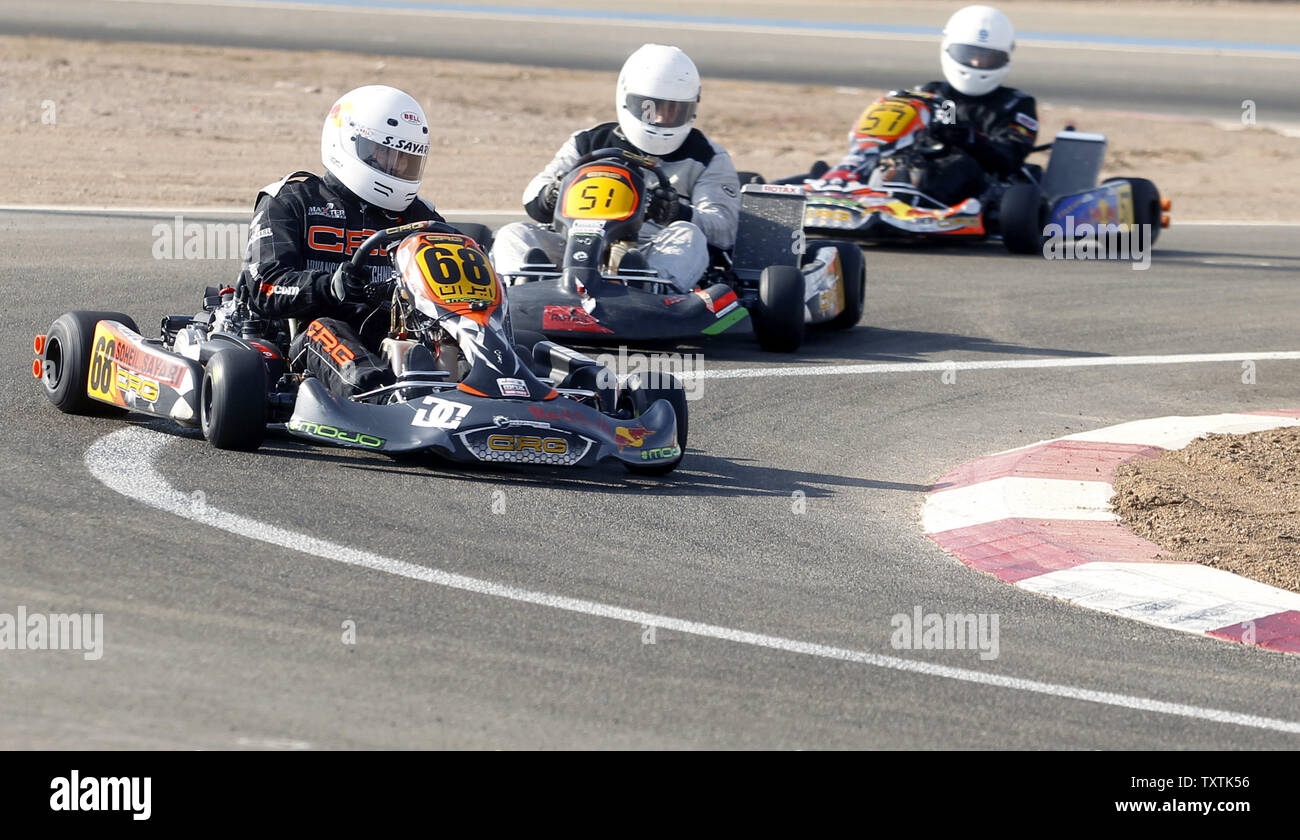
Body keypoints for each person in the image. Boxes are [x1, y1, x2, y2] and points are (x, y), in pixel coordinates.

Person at [237, 84, 445, 398]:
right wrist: (330, 286)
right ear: (347, 143)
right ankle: (377, 396)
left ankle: (496, 389)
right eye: (385, 153)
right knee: (327, 329)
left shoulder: (421, 217)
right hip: (312, 336)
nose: (397, 167)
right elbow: (264, 287)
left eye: (406, 159)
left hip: (395, 332)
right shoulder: (292, 200)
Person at [490, 44, 741, 293]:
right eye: (650, 109)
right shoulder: (587, 142)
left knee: (689, 236)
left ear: (691, 109)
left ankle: (649, 288)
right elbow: (532, 198)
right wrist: (552, 193)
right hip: (573, 245)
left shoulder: (706, 156)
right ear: (627, 99)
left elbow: (725, 229)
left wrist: (677, 212)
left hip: (652, 249)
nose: (662, 119)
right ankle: (524, 289)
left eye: (674, 110)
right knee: (513, 233)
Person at [821, 5, 1039, 205]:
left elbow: (1008, 159)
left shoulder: (1015, 104)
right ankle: (834, 184)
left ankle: (909, 204)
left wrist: (970, 139)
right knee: (884, 162)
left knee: (960, 166)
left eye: (987, 58)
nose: (976, 63)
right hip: (920, 161)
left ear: (1005, 57)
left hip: (980, 178)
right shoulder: (930, 93)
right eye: (970, 55)